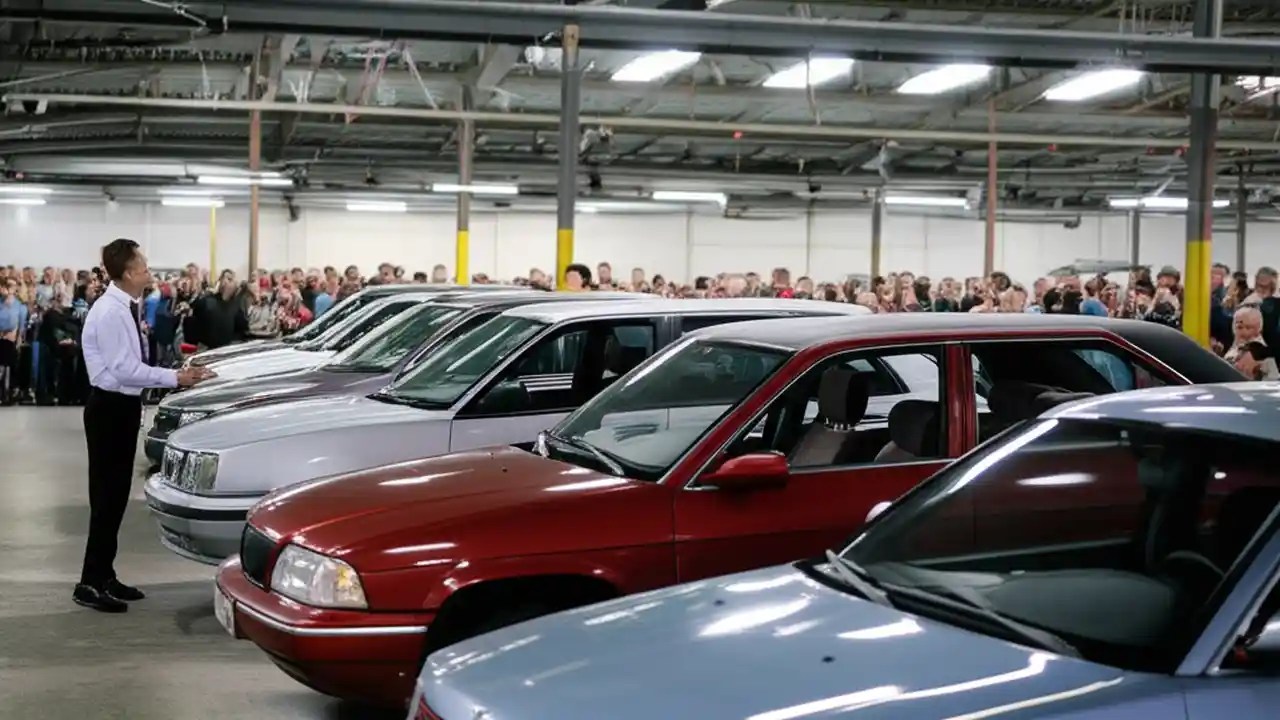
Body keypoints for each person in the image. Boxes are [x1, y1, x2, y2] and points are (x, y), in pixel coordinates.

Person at [76, 239, 212, 613]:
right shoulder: (111, 312)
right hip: (109, 408)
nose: (150, 272)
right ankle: (89, 582)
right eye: (145, 266)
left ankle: (104, 573)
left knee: (115, 497)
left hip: (119, 407)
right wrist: (176, 377)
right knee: (106, 498)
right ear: (130, 273)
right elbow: (123, 370)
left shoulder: (124, 306)